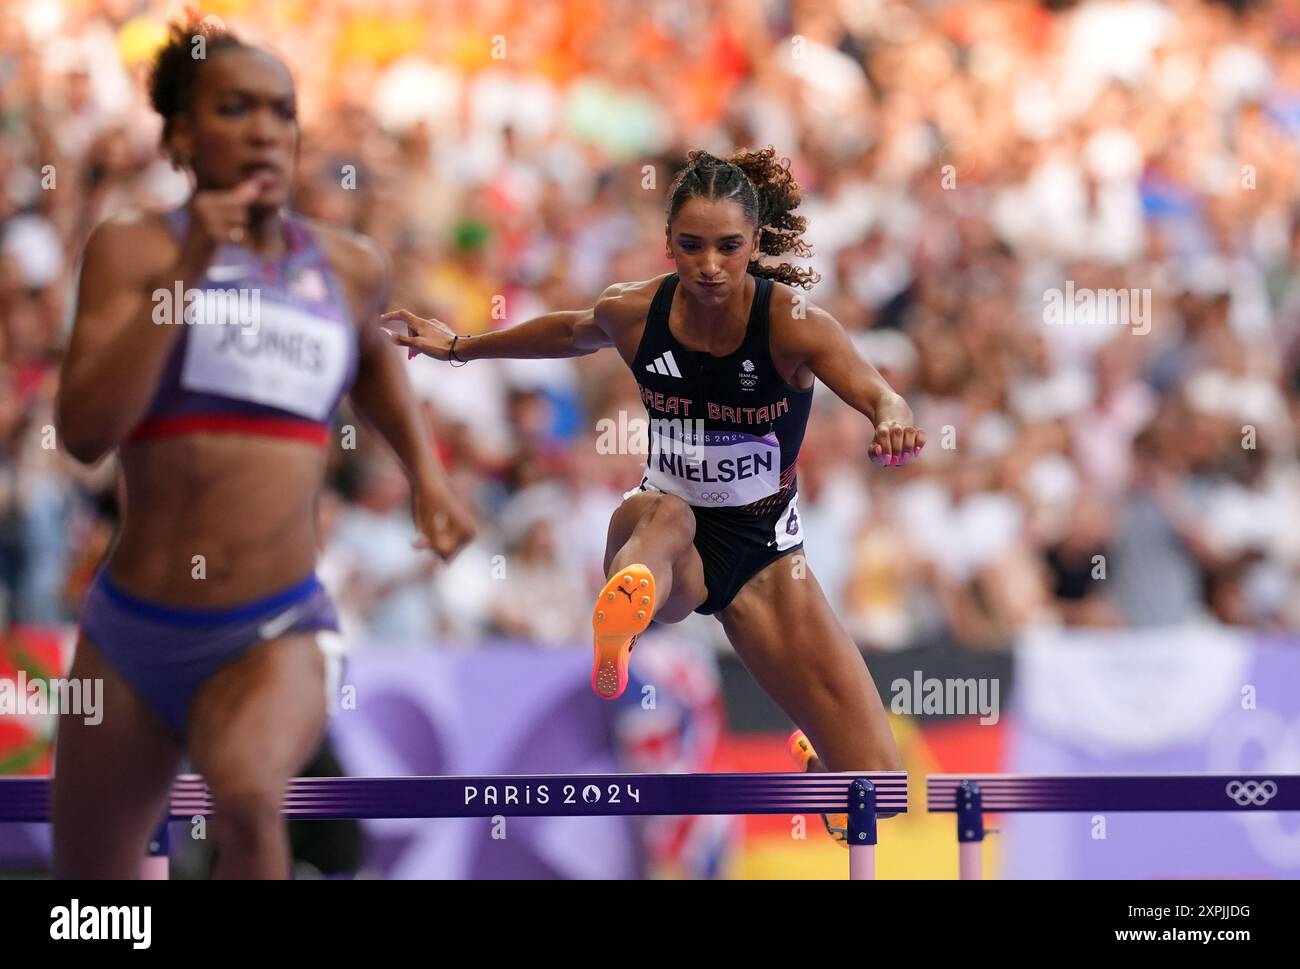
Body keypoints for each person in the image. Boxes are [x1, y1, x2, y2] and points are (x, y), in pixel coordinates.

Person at [384, 148, 917, 839]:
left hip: (764, 557)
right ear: (668, 245)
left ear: (755, 245)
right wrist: (460, 346)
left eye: (729, 247)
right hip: (663, 539)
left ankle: (819, 753)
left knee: (883, 788)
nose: (709, 265)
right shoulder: (635, 313)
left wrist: (894, 419)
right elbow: (572, 331)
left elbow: (878, 391)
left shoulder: (793, 322)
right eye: (691, 246)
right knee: (662, 516)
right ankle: (623, 612)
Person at [52, 19, 474, 878]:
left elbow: (373, 367)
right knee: (87, 898)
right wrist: (191, 267)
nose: (263, 130)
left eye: (280, 111)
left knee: (247, 791)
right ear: (179, 135)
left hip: (275, 625)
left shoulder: (348, 266)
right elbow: (86, 433)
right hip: (132, 632)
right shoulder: (133, 248)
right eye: (233, 108)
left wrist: (428, 477)